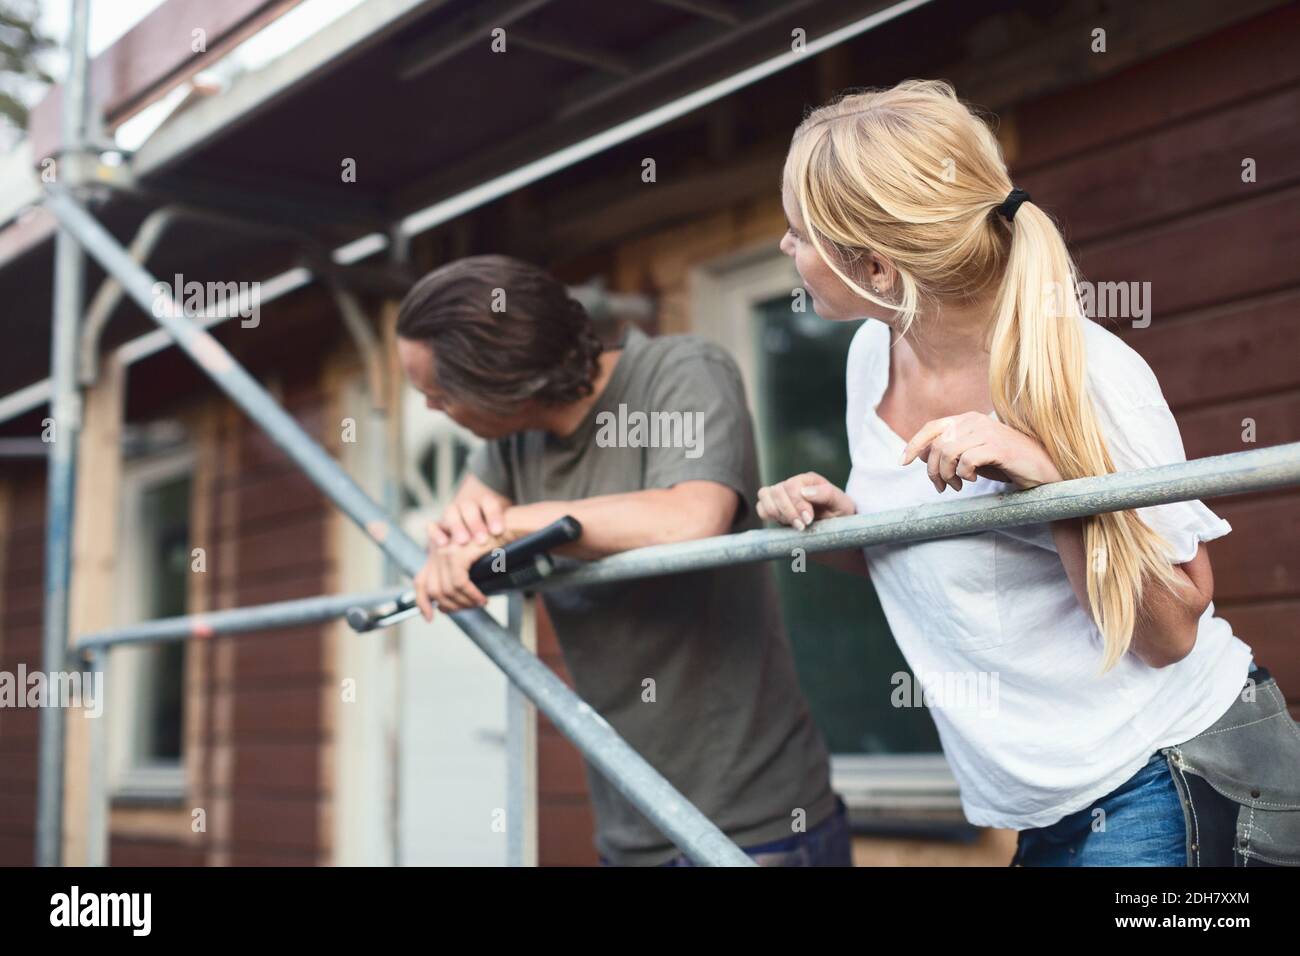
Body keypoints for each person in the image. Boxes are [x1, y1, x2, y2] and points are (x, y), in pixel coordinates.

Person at [758, 79, 1300, 866]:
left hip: (1168, 772)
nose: (784, 248)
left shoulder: (1086, 374)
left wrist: (1052, 485)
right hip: (1048, 807)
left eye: (799, 232)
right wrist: (838, 520)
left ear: (877, 269)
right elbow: (943, 562)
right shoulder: (870, 357)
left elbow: (1170, 633)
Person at [396, 254, 850, 867]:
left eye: (439, 396)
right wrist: (447, 555)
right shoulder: (509, 444)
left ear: (503, 381)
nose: (429, 411)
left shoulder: (680, 371)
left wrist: (513, 524)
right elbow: (459, 535)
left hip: (753, 823)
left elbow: (688, 519)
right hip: (630, 825)